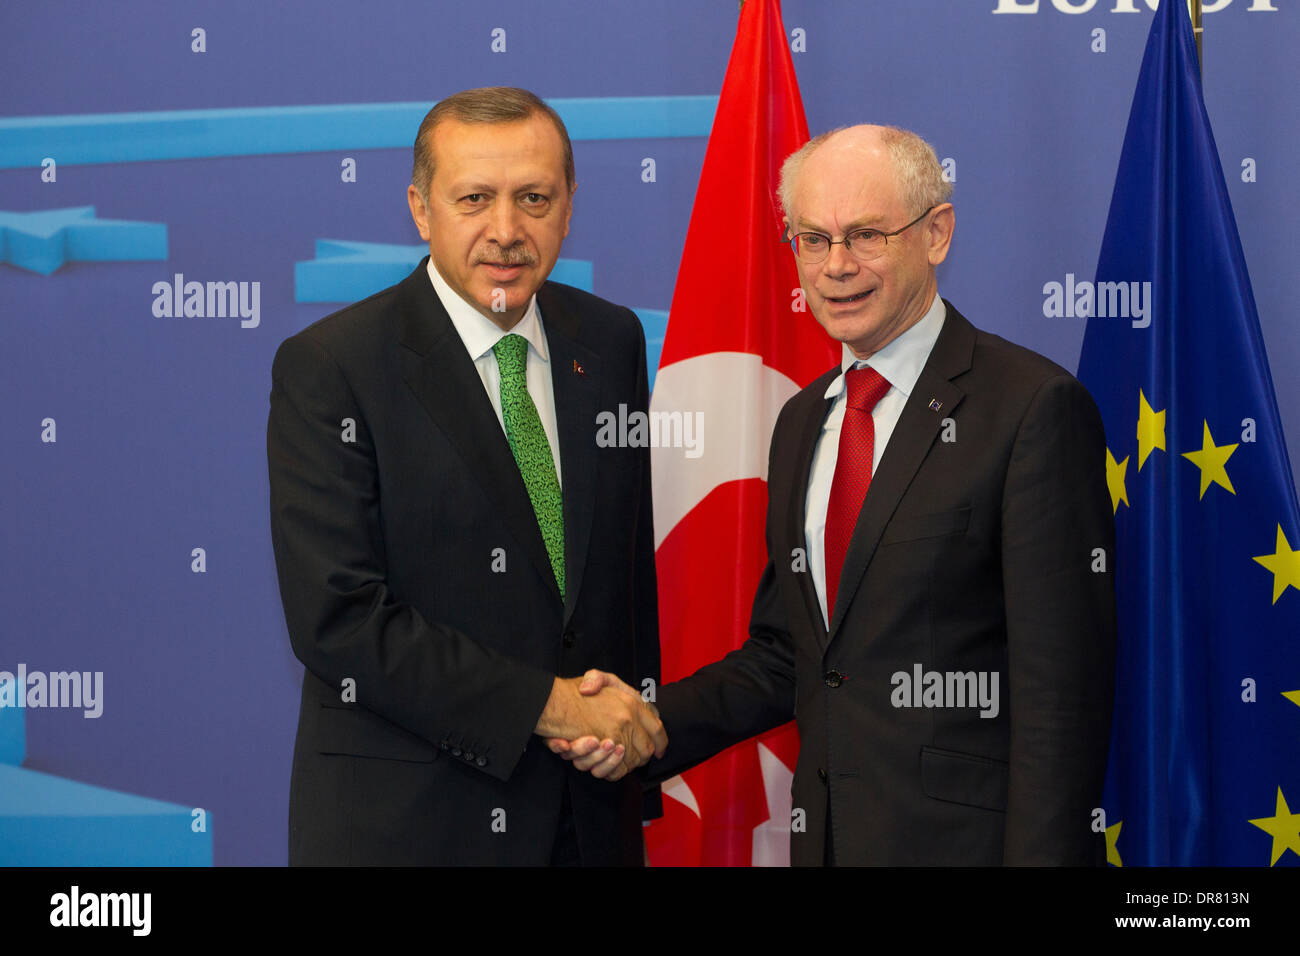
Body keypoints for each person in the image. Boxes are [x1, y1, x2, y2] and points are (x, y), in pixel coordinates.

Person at [550, 124, 1116, 866]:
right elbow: (791, 657)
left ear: (937, 233)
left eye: (867, 235)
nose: (836, 266)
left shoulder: (1033, 408)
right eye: (812, 240)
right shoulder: (802, 420)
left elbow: (1061, 700)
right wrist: (643, 725)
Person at [267, 86, 665, 866]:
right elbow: (338, 619)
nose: (507, 230)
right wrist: (544, 706)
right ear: (421, 208)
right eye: (474, 198)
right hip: (411, 829)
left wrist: (630, 749)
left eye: (535, 198)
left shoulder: (610, 341)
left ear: (570, 206)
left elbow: (622, 579)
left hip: (588, 822)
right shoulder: (332, 366)